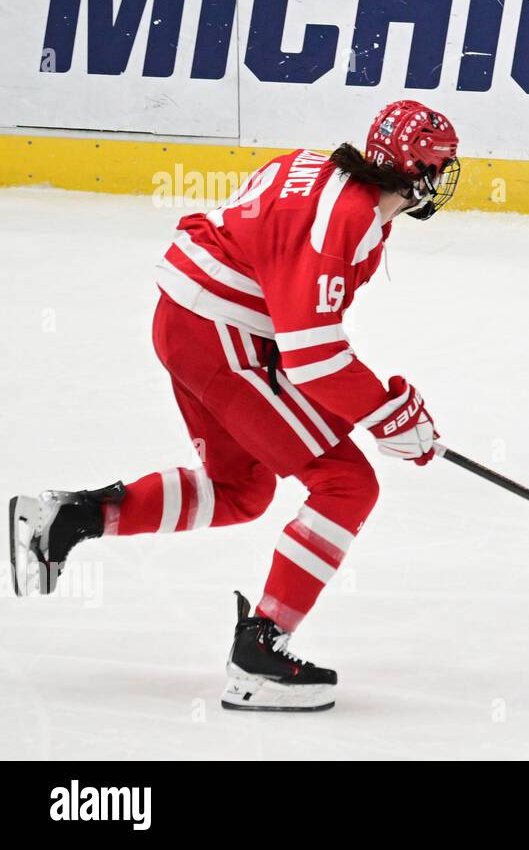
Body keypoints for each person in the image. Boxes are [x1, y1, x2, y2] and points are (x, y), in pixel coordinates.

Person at [8, 100, 460, 711]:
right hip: (220, 337)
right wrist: (388, 415)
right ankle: (260, 657)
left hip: (192, 323)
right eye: (441, 166)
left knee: (240, 489)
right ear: (419, 174)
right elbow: (312, 354)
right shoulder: (344, 220)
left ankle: (67, 519)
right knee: (345, 484)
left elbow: (298, 330)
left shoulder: (320, 171)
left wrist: (381, 409)